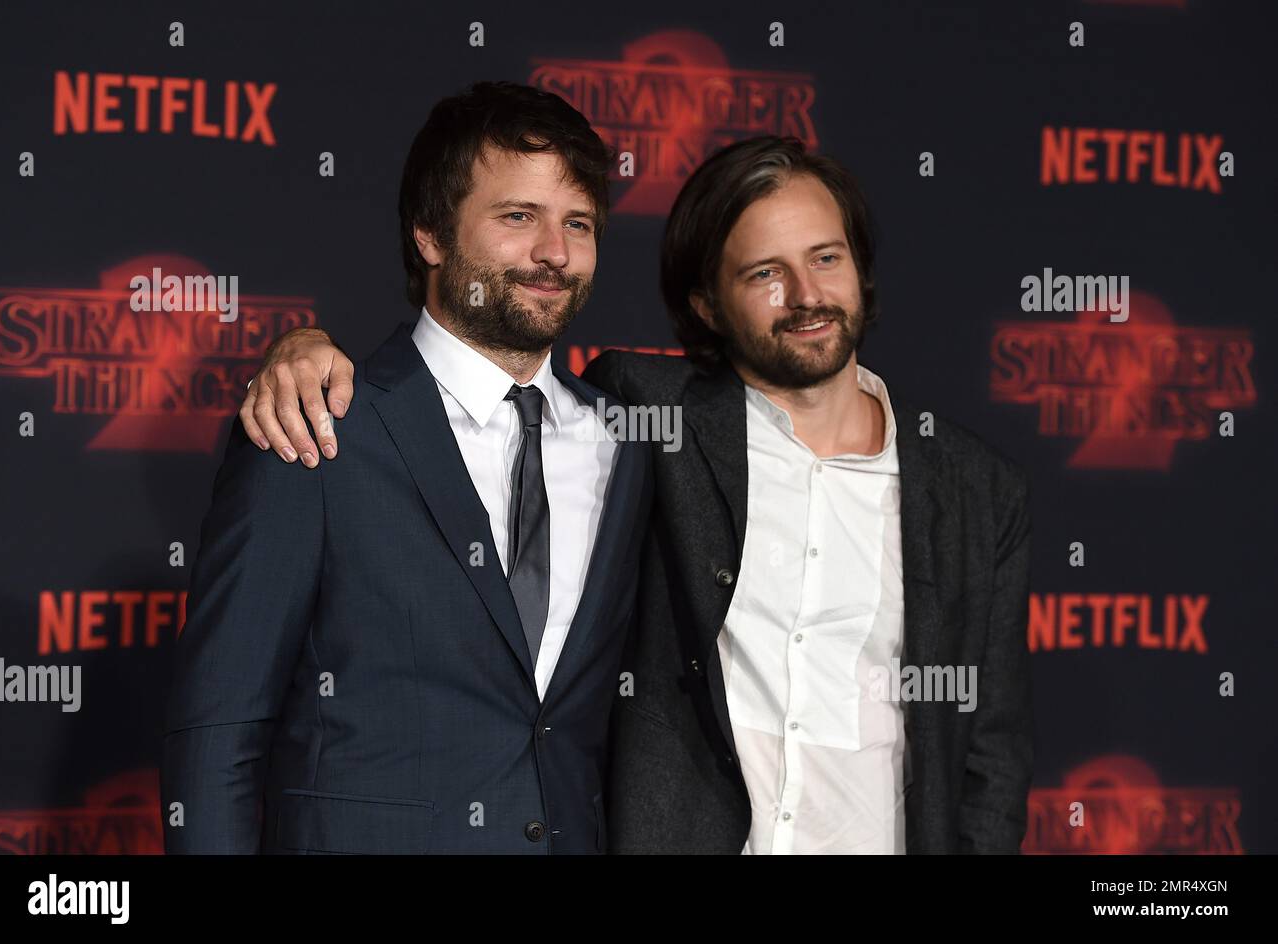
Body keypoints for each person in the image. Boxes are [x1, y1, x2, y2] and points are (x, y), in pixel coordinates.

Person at [246, 135, 1034, 854]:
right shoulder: (643, 418)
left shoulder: (975, 490)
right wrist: (302, 348)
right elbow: (474, 376)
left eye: (826, 259)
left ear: (861, 269)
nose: (805, 296)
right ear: (704, 303)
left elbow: (990, 750)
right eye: (765, 273)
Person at [161, 81, 651, 854]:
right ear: (430, 233)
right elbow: (220, 729)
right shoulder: (317, 421)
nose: (554, 252)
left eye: (578, 224)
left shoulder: (627, 439)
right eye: (518, 216)